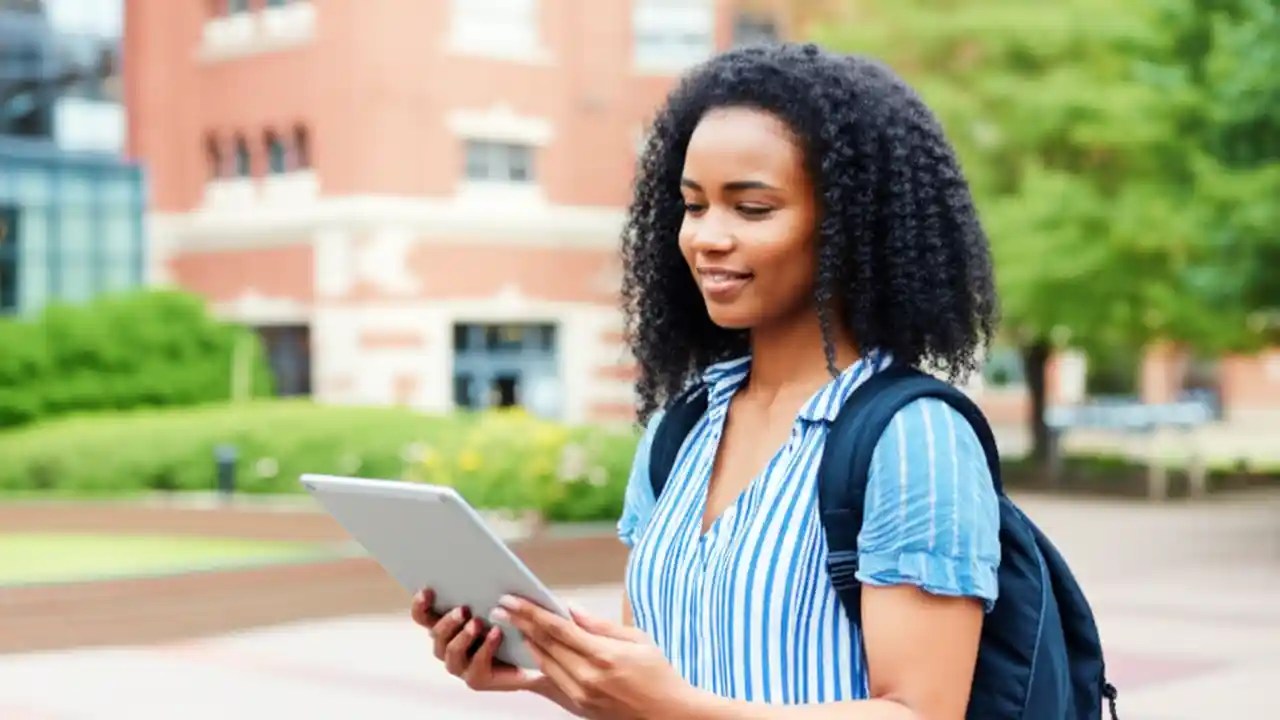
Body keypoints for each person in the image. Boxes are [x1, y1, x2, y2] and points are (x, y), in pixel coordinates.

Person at [412, 41, 1001, 719]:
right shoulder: (682, 425)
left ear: (850, 229)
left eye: (751, 209)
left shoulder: (913, 436)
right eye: (693, 206)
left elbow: (922, 712)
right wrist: (534, 665)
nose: (706, 238)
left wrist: (677, 708)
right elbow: (653, 688)